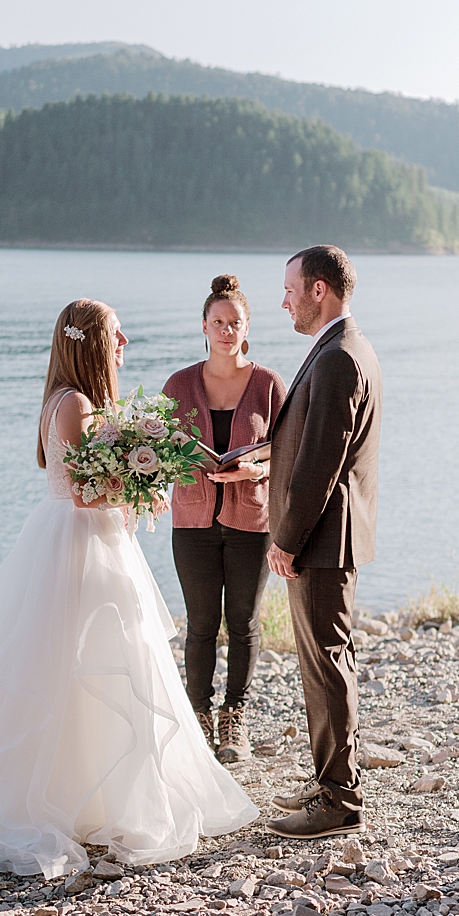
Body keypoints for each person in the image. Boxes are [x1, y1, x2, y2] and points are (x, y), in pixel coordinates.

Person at [0, 298, 259, 881]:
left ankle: (100, 790)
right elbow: (83, 494)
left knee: (104, 666)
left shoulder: (88, 402)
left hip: (97, 545)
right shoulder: (72, 404)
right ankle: (48, 796)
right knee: (65, 668)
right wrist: (142, 479)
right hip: (74, 543)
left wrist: (141, 477)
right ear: (93, 341)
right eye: (118, 335)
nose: (125, 345)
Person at [264, 246, 381, 840]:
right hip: (328, 537)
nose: (283, 300)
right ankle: (331, 780)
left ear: (319, 290)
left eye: (290, 289)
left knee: (326, 665)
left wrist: (285, 538)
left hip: (321, 539)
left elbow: (321, 464)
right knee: (325, 663)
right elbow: (304, 447)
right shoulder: (341, 349)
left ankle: (339, 799)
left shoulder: (338, 358)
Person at [163, 275, 287, 764]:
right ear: (204, 326)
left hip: (251, 519)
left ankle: (235, 717)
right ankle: (198, 714)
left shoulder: (269, 384)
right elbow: (159, 445)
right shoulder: (179, 384)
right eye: (218, 322)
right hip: (191, 519)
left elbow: (286, 449)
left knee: (244, 621)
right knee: (199, 623)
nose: (226, 330)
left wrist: (258, 467)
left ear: (247, 327)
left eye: (234, 322)